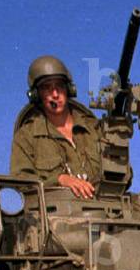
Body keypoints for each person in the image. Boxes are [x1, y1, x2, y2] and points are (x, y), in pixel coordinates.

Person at [11, 56, 103, 199]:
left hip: (104, 210)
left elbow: (124, 175)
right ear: (36, 95)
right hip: (54, 214)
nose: (55, 94)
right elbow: (20, 181)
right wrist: (60, 179)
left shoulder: (93, 129)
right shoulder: (26, 136)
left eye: (59, 86)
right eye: (47, 88)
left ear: (69, 89)